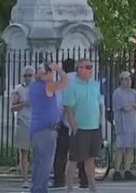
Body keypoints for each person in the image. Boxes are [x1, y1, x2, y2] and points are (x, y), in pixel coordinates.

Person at [63, 58, 104, 193]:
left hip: (94, 127)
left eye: (89, 67)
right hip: (80, 128)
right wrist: (73, 126)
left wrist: (100, 121)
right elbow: (68, 108)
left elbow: (100, 103)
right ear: (78, 69)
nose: (87, 69)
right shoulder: (71, 85)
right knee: (73, 159)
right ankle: (69, 187)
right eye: (83, 67)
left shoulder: (95, 84)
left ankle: (92, 186)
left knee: (90, 158)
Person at [29, 62, 70, 193]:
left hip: (36, 129)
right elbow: (66, 82)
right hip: (47, 130)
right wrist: (59, 68)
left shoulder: (34, 86)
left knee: (38, 161)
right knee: (46, 163)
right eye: (51, 72)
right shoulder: (47, 86)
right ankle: (40, 189)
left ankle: (35, 186)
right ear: (47, 73)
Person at [53, 58, 87, 189]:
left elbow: (59, 103)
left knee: (61, 153)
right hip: (83, 120)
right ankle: (84, 180)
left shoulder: (62, 81)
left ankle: (59, 179)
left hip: (66, 122)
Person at [111, 71, 136, 181]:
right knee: (121, 147)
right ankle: (116, 171)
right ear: (121, 80)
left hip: (132, 122)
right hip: (122, 123)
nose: (128, 81)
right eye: (126, 79)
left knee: (130, 147)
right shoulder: (117, 93)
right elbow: (124, 107)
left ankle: (127, 170)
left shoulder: (133, 92)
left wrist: (132, 105)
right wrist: (133, 106)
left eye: (129, 79)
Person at [11, 65, 35, 189]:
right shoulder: (18, 89)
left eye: (30, 75)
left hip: (37, 123)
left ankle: (36, 177)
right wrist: (24, 103)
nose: (27, 78)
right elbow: (12, 107)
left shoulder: (39, 89)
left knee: (38, 153)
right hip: (23, 122)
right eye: (25, 75)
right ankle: (25, 179)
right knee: (24, 152)